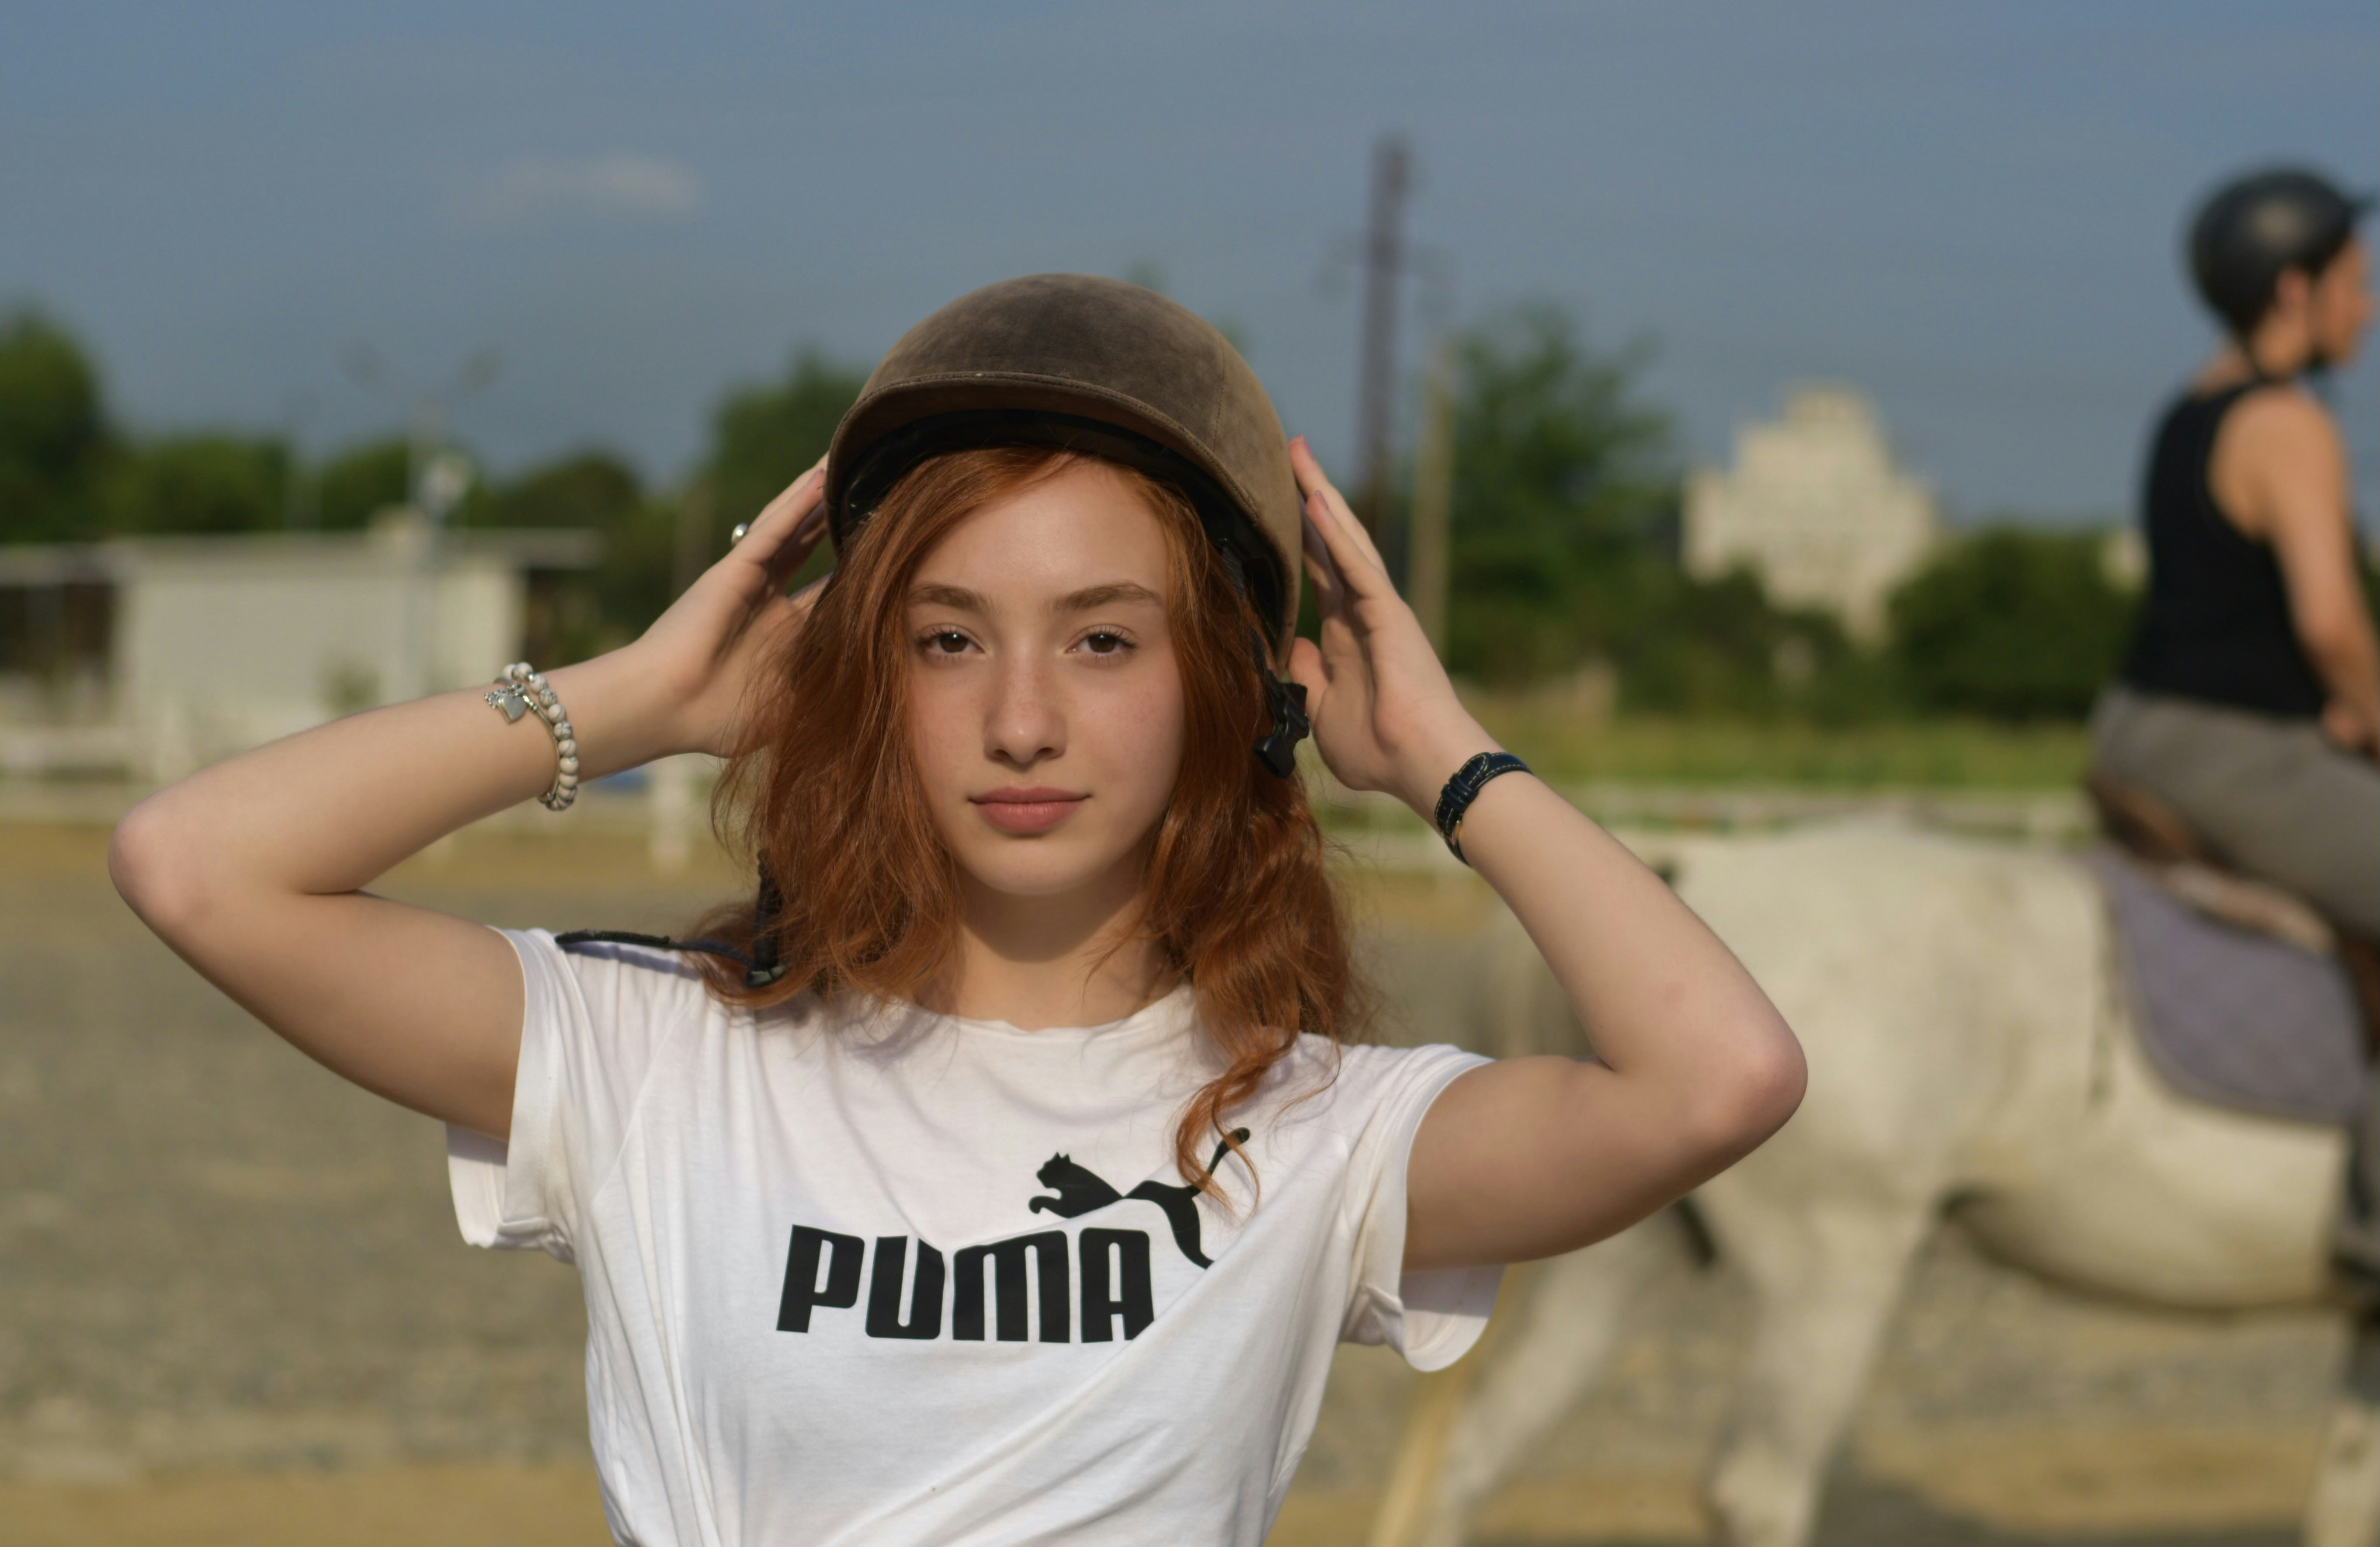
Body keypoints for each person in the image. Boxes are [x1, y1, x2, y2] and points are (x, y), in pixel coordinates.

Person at [108, 275, 1803, 1546]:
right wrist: (630, 699)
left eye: (1101, 639)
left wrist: (1440, 755)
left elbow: (1716, 1076)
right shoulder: (663, 1052)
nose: (1018, 719)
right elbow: (197, 866)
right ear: (870, 675)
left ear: (1224, 688)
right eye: (944, 637)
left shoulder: (1311, 1132)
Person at [2093, 166, 2380, 937]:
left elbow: (2227, 607)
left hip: (2136, 723)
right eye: (2354, 284)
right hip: (2232, 751)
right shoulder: (2289, 424)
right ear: (2295, 290)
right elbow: (2331, 626)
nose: (2368, 308)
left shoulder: (2189, 408)